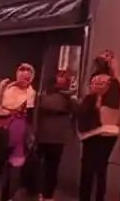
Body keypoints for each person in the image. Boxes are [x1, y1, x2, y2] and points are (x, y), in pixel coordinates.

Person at [0, 62, 37, 201]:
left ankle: (6, 197)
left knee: (12, 168)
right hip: (3, 129)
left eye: (28, 74)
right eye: (22, 71)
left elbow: (30, 115)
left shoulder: (31, 93)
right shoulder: (7, 87)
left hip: (19, 131)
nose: (24, 76)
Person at [76, 52, 120, 201]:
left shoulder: (96, 80)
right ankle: (99, 198)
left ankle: (85, 198)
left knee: (88, 170)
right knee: (101, 169)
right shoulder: (116, 84)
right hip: (112, 131)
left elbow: (86, 108)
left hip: (94, 131)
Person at [36, 70, 76, 201]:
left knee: (51, 167)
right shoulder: (51, 92)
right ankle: (42, 193)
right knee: (44, 166)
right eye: (59, 76)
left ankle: (46, 194)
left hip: (55, 135)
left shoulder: (69, 97)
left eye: (64, 77)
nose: (61, 79)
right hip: (46, 134)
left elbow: (75, 110)